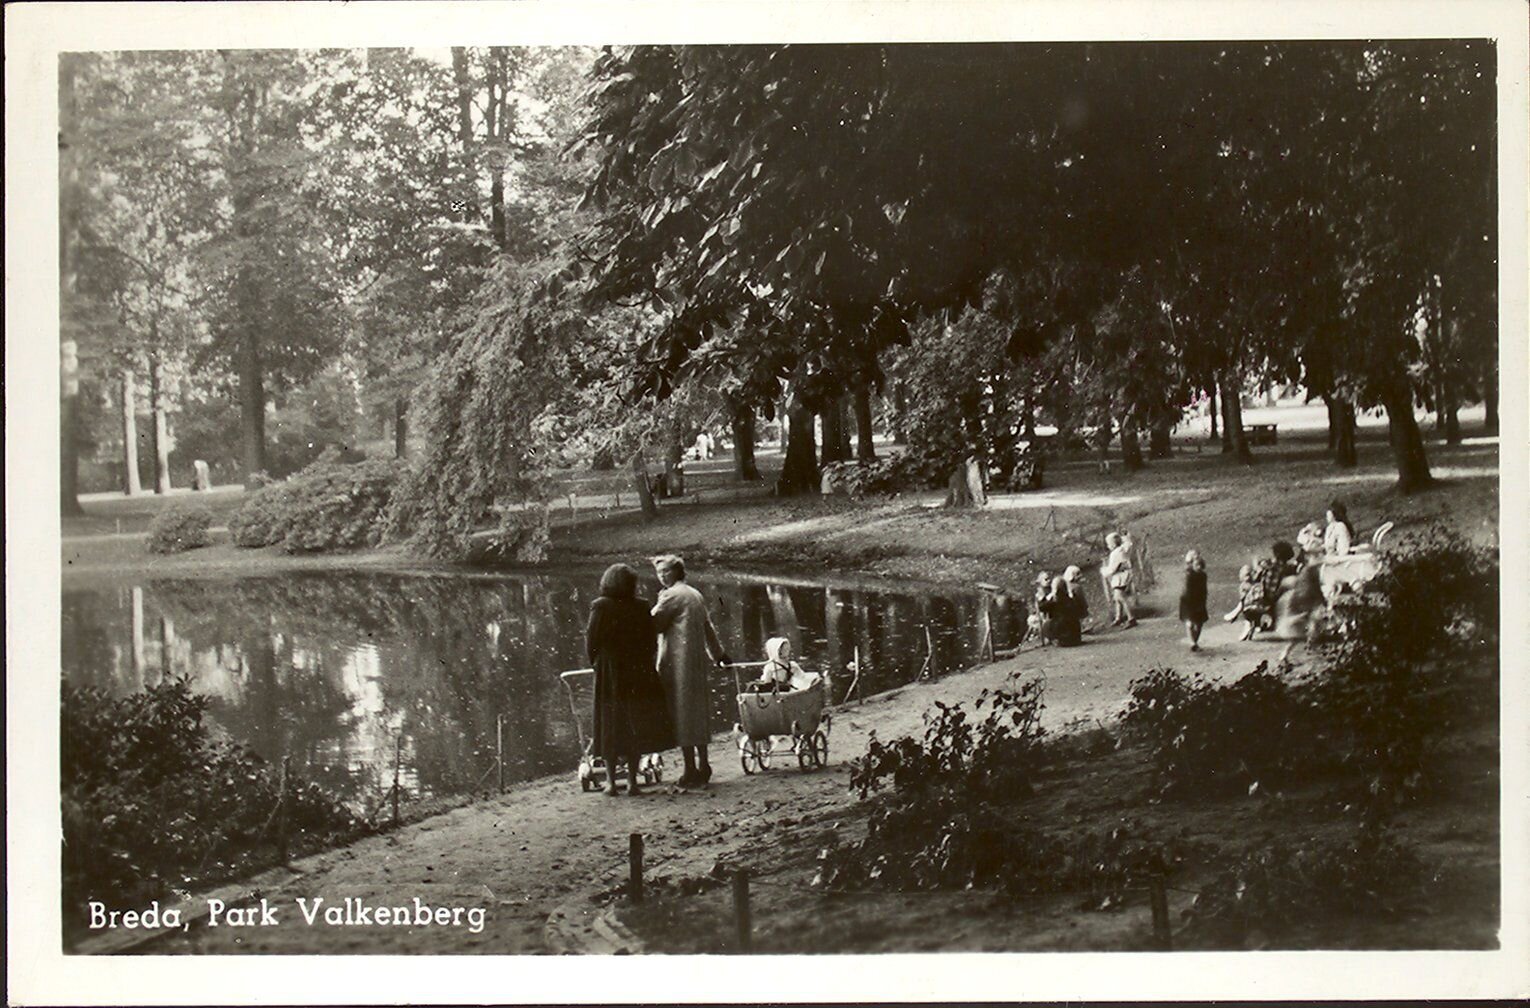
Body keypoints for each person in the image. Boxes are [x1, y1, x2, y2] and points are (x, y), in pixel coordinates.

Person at [585, 564, 674, 797]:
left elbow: (591, 642)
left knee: (610, 723)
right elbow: (650, 640)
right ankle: (633, 782)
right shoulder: (641, 606)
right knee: (634, 723)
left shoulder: (600, 606)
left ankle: (612, 783)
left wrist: (598, 664)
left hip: (610, 672)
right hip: (637, 670)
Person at [651, 555, 729, 788]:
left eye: (666, 571)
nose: (662, 576)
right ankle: (703, 763)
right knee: (697, 710)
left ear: (677, 572)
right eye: (659, 572)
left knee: (681, 712)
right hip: (695, 662)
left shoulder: (670, 596)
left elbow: (654, 624)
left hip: (676, 663)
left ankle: (689, 769)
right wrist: (718, 655)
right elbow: (708, 628)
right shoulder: (695, 594)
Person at [1103, 533, 1137, 628]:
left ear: (1113, 544)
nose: (1108, 546)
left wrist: (1104, 571)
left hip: (1120, 577)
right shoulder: (1122, 549)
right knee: (1116, 598)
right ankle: (1118, 618)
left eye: (1108, 544)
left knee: (1120, 597)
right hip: (1123, 575)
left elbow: (1112, 569)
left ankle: (1131, 618)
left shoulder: (1115, 554)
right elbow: (1128, 543)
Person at [1179, 550, 1209, 651]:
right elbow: (1186, 591)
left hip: (1199, 601)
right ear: (1192, 565)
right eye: (1197, 565)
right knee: (1190, 623)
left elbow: (1204, 590)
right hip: (1188, 602)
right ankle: (1192, 642)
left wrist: (1203, 600)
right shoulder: (1188, 575)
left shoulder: (1203, 576)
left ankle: (1195, 641)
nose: (1199, 567)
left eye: (1200, 565)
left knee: (1199, 623)